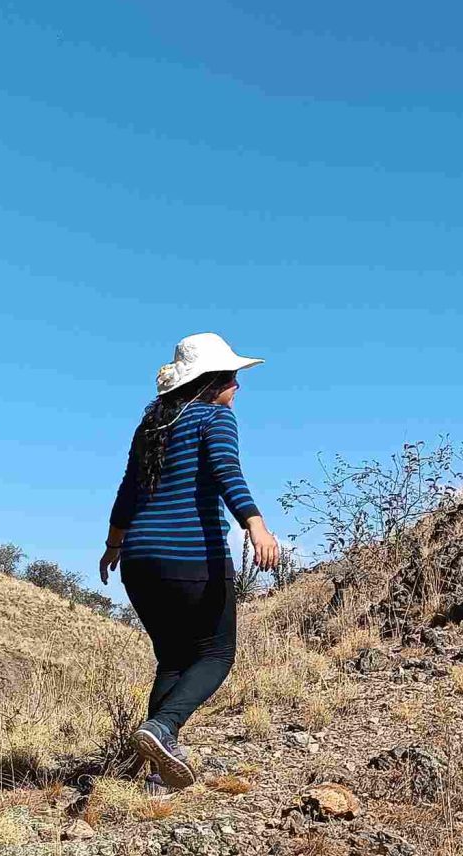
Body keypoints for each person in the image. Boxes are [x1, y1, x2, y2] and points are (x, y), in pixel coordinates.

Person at [101, 332, 280, 790]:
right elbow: (227, 473)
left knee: (173, 659)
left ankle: (155, 774)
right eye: (233, 377)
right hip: (192, 557)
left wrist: (113, 545)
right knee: (216, 654)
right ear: (211, 381)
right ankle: (162, 729)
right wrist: (255, 525)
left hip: (139, 562)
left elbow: (127, 491)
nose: (238, 385)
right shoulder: (214, 417)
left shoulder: (151, 426)